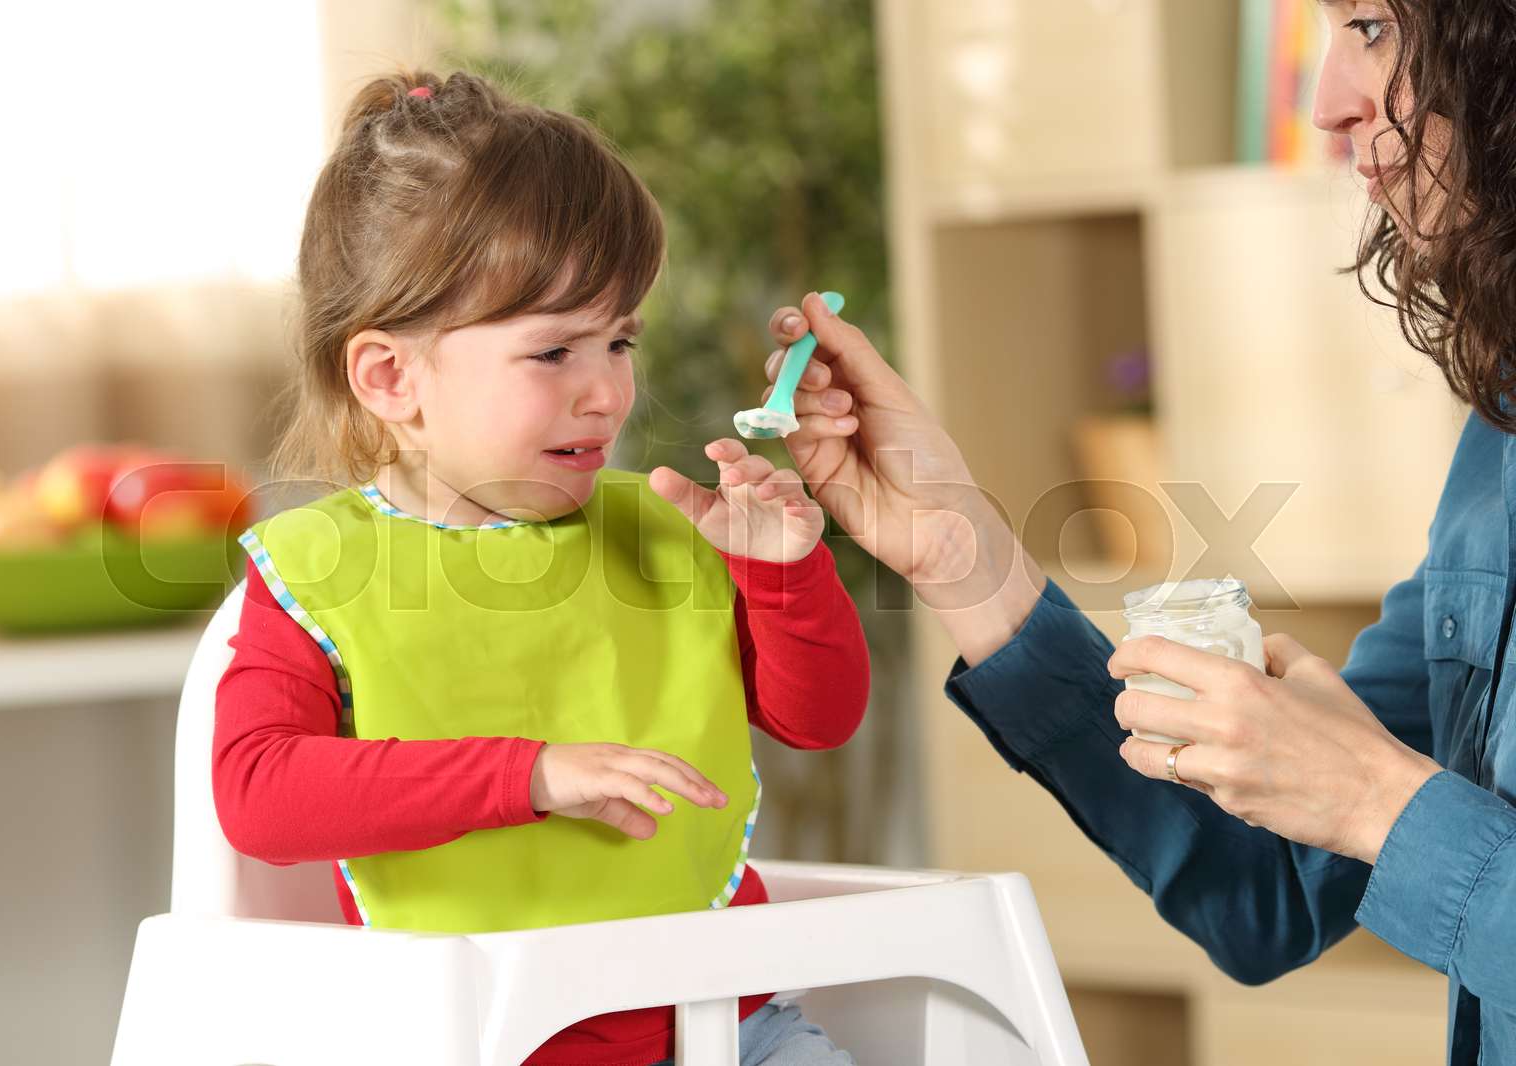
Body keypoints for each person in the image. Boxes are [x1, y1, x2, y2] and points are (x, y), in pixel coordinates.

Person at [754, 3, 1516, 1061]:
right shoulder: (1498, 441)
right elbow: (1269, 890)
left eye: (1375, 28)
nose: (1326, 100)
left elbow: (1373, 814)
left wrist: (1379, 804)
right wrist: (965, 558)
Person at [213, 70, 865, 1066]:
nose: (606, 389)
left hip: (733, 1028)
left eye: (619, 338)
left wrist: (782, 574)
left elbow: (817, 718)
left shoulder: (658, 527)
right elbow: (259, 793)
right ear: (392, 377)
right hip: (480, 1044)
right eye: (553, 350)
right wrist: (530, 773)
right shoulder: (317, 571)